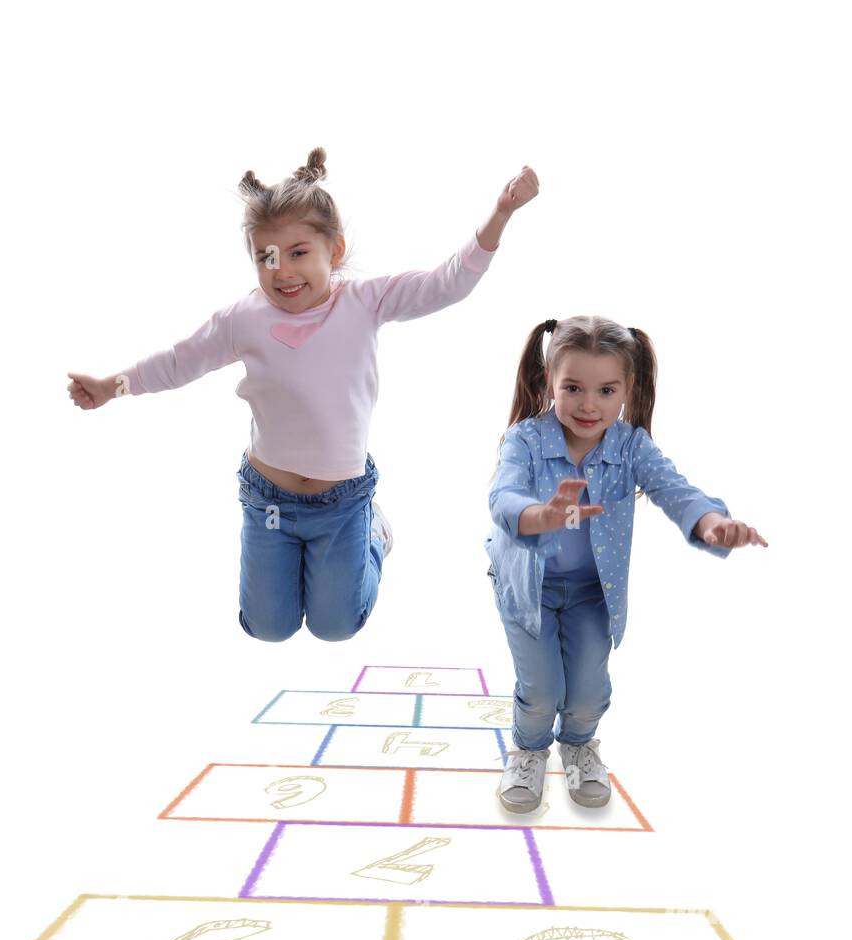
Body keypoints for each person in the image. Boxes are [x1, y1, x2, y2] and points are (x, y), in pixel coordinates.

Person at [68, 148, 538, 642]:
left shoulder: (364, 302)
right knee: (267, 628)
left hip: (341, 499)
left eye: (298, 253)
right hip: (268, 496)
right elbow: (177, 362)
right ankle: (301, 570)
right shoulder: (243, 320)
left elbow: (448, 283)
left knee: (336, 626)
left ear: (333, 251)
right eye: (265, 257)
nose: (283, 272)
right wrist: (112, 386)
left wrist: (501, 213)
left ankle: (373, 536)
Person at [486, 316, 767, 812]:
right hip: (527, 587)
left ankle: (579, 744)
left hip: (593, 592)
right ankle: (528, 753)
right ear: (548, 381)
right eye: (572, 388)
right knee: (541, 688)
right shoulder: (526, 440)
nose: (588, 404)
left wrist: (709, 523)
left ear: (627, 389)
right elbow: (503, 495)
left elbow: (675, 490)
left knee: (589, 690)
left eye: (605, 390)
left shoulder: (630, 446)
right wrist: (540, 515)